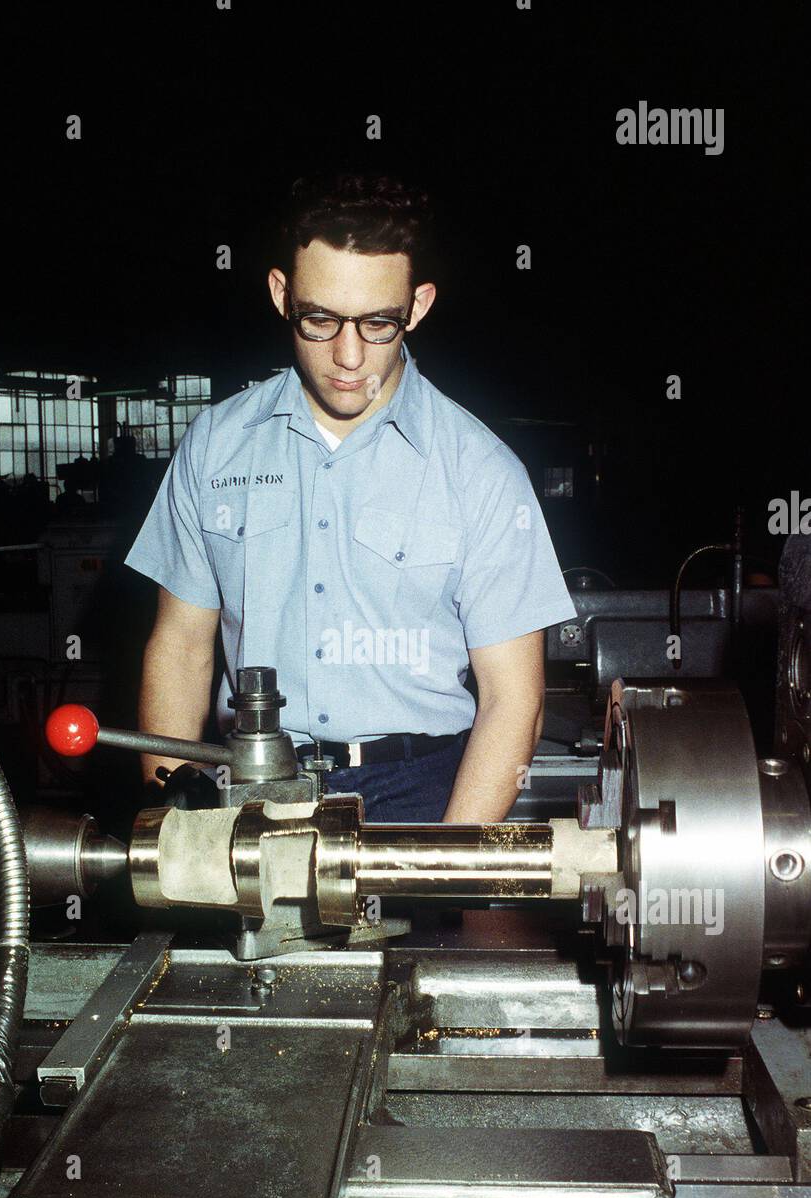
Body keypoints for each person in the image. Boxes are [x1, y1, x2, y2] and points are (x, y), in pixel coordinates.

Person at [125, 171, 577, 822]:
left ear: (417, 307)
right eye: (320, 319)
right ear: (282, 294)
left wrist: (441, 866)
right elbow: (180, 649)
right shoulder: (215, 446)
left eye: (377, 324)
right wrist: (174, 824)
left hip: (421, 796)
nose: (346, 355)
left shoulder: (479, 471)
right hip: (250, 782)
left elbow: (514, 701)